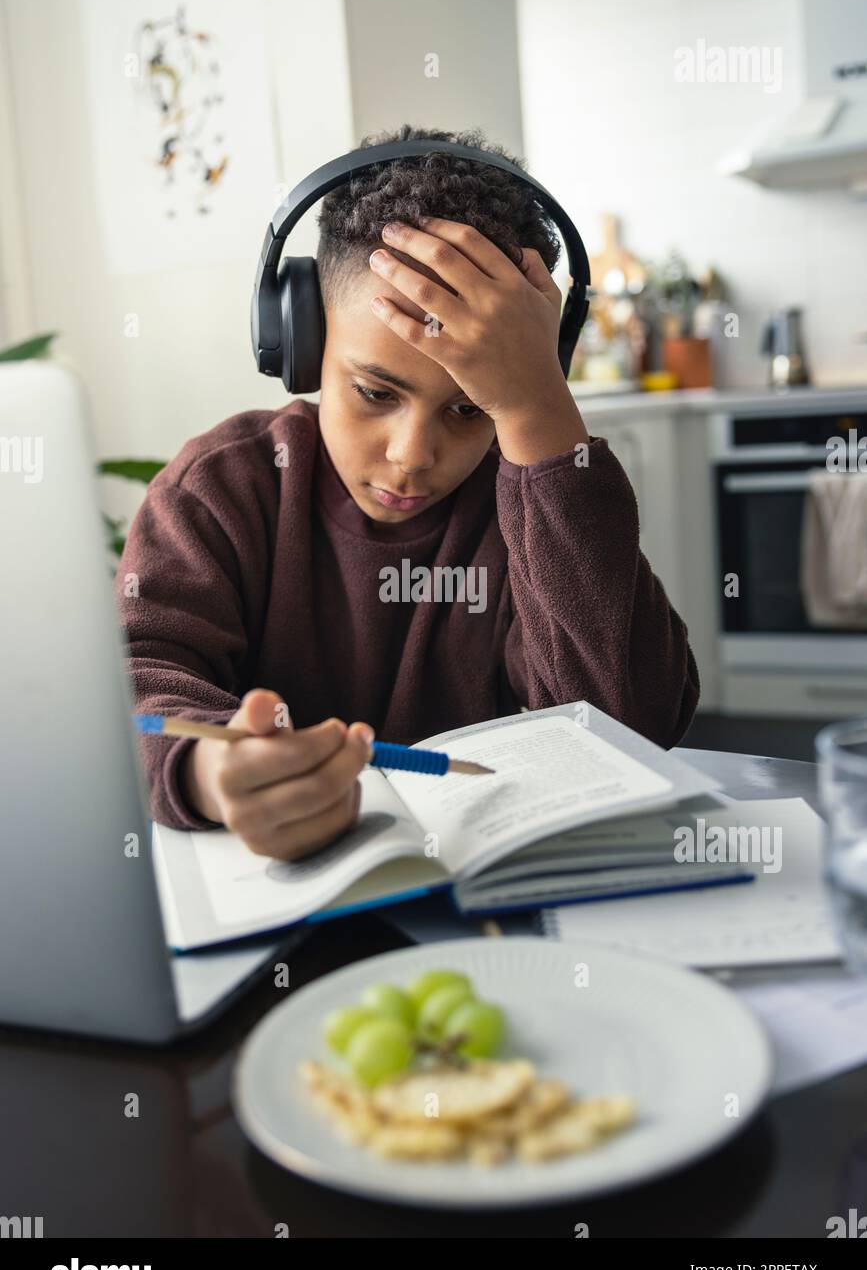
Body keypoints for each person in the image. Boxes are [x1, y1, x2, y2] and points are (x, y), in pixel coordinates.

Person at [116, 124, 699, 862]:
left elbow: (630, 723)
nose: (411, 456)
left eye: (469, 408)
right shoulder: (220, 489)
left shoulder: (532, 496)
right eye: (372, 392)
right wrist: (206, 770)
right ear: (298, 345)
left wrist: (535, 415)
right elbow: (133, 686)